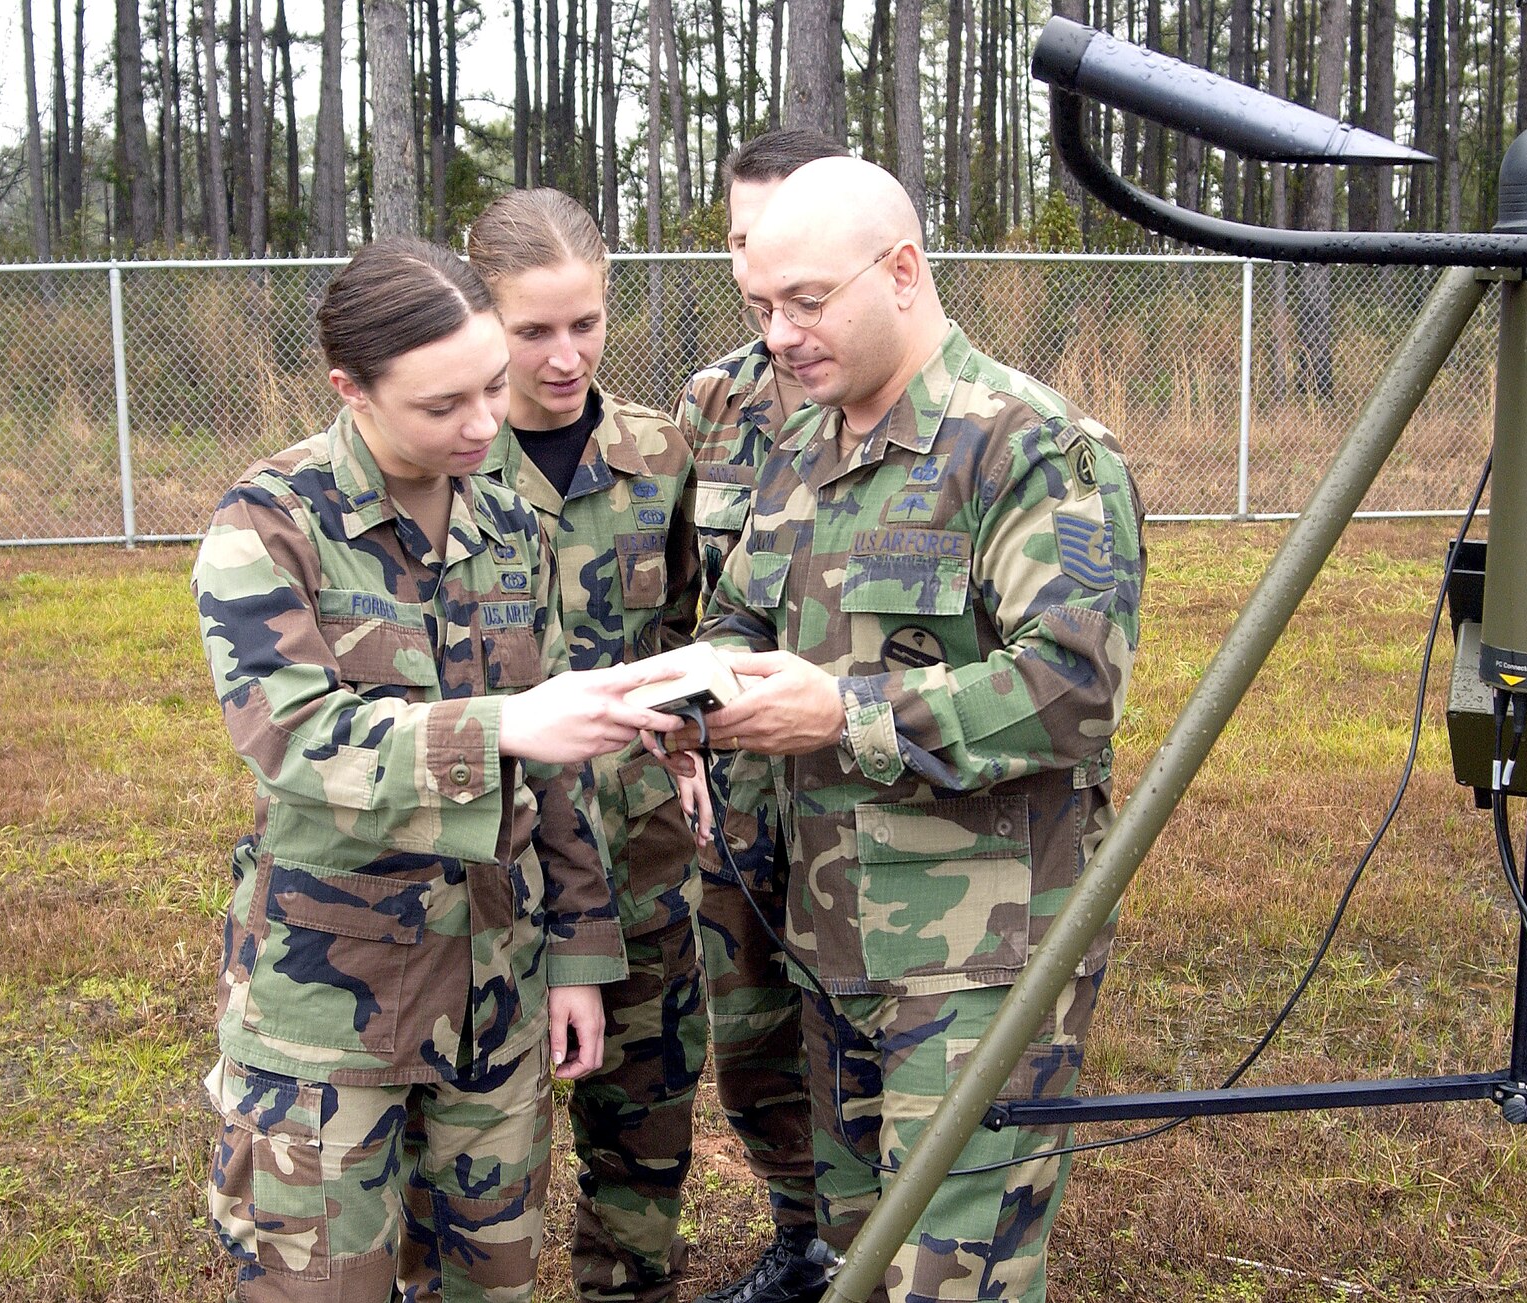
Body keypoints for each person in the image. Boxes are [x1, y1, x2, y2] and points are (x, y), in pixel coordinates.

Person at [670, 157, 1145, 1303]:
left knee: (950, 1274)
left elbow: (1073, 683)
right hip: (832, 936)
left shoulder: (1028, 448)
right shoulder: (803, 447)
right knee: (857, 1254)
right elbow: (740, 609)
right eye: (760, 307)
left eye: (806, 302)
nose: (777, 336)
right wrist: (698, 694)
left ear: (900, 272)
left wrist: (843, 711)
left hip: (979, 955)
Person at [192, 236, 686, 1303]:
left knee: (489, 1280)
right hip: (330, 1005)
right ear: (351, 390)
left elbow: (558, 766)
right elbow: (294, 735)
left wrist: (578, 954)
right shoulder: (270, 521)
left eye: (492, 387)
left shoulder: (504, 520)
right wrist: (503, 725)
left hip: (495, 992)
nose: (482, 424)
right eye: (441, 404)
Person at [467, 189, 708, 1303]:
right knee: (481, 1150)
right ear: (481, 319)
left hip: (642, 853)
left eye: (586, 323)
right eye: (532, 331)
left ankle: (630, 1282)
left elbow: (688, 628)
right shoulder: (447, 460)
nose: (565, 357)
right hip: (496, 864)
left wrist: (689, 741)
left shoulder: (658, 452)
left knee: (647, 1123)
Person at [673, 128, 846, 1303]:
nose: (757, 265)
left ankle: (887, 1230)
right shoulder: (714, 399)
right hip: (737, 796)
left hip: (855, 781)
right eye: (740, 239)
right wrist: (684, 740)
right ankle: (802, 1234)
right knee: (748, 1040)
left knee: (860, 1036)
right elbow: (689, 597)